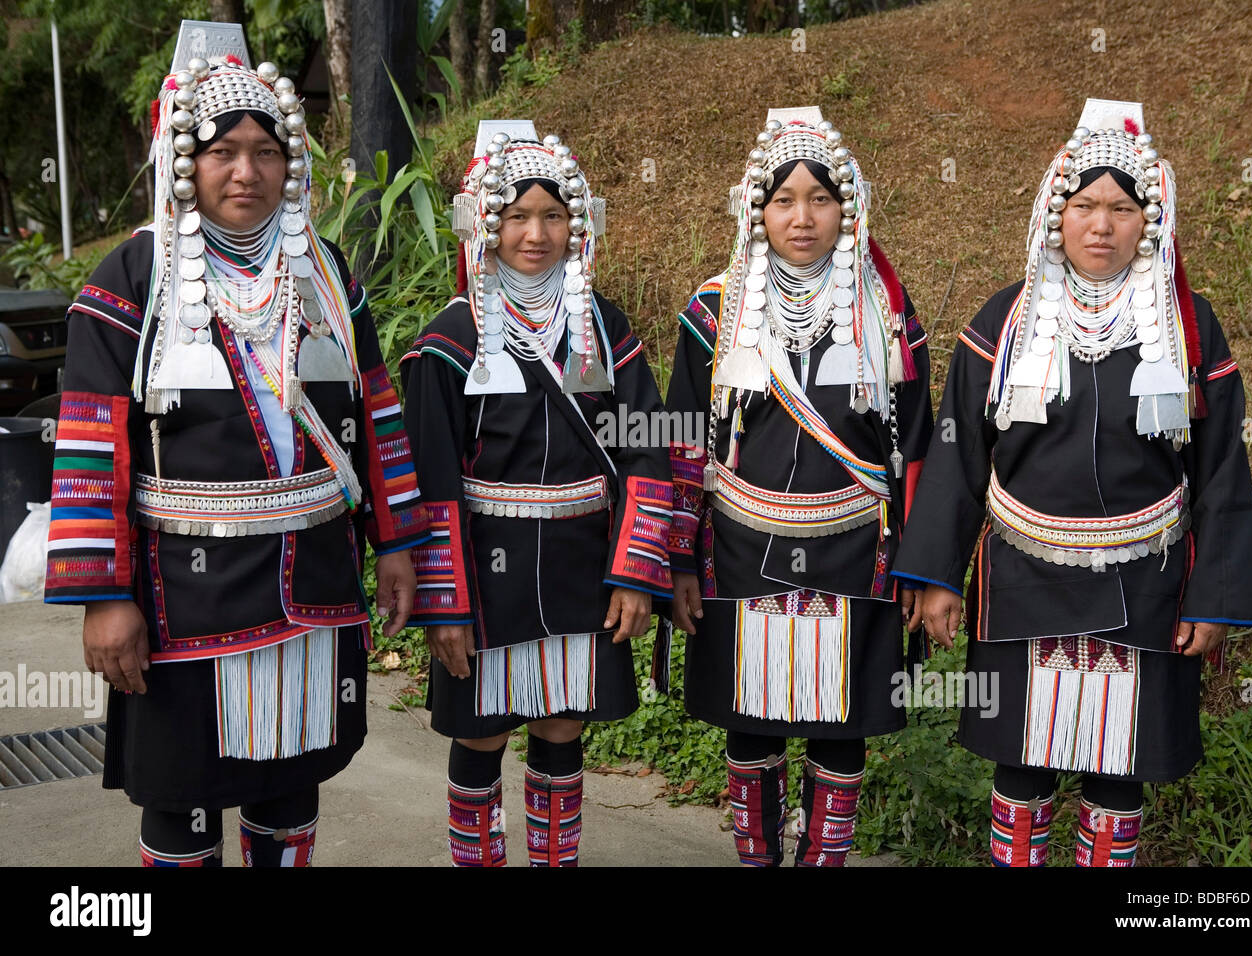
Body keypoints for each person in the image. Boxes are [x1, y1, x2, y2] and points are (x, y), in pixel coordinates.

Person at [44, 35, 427, 867]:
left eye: (265, 151)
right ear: (186, 161)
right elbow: (86, 449)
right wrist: (104, 597)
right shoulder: (131, 280)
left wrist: (397, 546)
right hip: (183, 601)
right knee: (181, 805)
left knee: (290, 794)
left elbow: (380, 419)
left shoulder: (326, 277)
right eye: (222, 152)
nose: (245, 172)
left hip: (312, 588)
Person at [892, 99, 1252, 866]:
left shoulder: (1188, 328)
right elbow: (960, 453)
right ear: (1054, 216)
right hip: (1024, 576)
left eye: (1122, 209)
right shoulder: (1005, 323)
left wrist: (1216, 597)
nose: (1102, 225)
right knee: (1021, 765)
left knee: (1119, 772)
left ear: (1148, 221)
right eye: (1085, 206)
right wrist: (938, 576)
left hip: (1147, 582)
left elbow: (1222, 471)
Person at [664, 110, 933, 866]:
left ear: (847, 208)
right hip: (741, 549)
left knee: (841, 724)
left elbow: (915, 446)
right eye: (784, 200)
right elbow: (684, 443)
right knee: (751, 721)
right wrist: (679, 560)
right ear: (758, 210)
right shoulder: (714, 312)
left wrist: (922, 566)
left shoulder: (883, 311)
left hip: (856, 550)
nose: (803, 217)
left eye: (820, 198)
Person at [401, 124, 673, 867]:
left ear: (575, 225)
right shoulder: (448, 344)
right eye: (517, 216)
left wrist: (636, 573)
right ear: (486, 226)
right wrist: (445, 605)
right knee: (482, 731)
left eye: (553, 216)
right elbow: (431, 487)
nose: (535, 233)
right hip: (488, 576)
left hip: (583, 566)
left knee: (562, 724)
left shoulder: (605, 330)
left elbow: (647, 450)